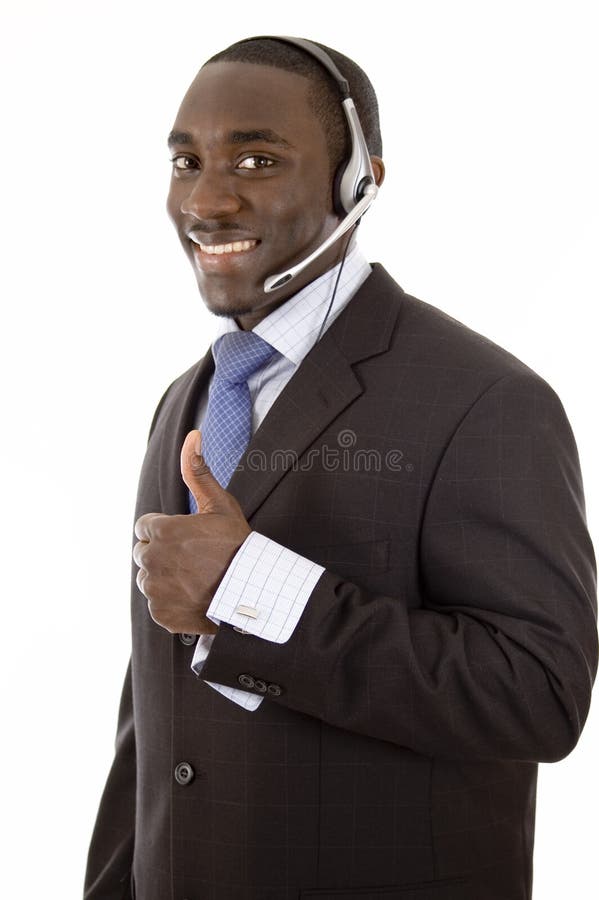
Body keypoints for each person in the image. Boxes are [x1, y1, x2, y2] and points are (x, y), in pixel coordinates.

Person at [84, 36, 598, 900]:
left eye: (256, 158)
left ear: (358, 180)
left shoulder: (485, 399)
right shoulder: (188, 400)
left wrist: (251, 588)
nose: (206, 199)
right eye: (186, 160)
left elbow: (537, 696)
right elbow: (153, 719)